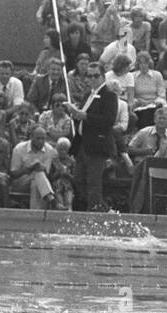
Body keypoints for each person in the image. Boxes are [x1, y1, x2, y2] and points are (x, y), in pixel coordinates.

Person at [68, 59, 120, 211]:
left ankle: (96, 211)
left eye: (95, 76)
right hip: (83, 144)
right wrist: (75, 114)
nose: (92, 79)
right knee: (78, 179)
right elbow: (82, 118)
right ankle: (103, 209)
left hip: (97, 145)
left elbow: (109, 120)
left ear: (103, 76)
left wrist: (85, 117)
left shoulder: (108, 95)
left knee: (93, 183)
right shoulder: (87, 95)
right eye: (89, 76)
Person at [10, 124, 61, 209]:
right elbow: (13, 174)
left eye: (43, 138)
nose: (41, 141)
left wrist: (40, 168)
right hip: (20, 182)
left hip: (40, 183)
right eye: (38, 138)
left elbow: (47, 174)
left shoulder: (49, 150)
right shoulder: (19, 148)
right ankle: (52, 200)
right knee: (37, 174)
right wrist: (28, 168)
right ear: (31, 137)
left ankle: (36, 214)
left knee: (37, 178)